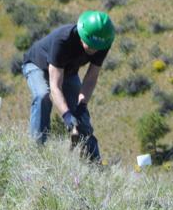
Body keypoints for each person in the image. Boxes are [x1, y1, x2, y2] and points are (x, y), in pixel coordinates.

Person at [21, 10, 114, 162]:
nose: (94, 50)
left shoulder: (103, 42)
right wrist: (67, 116)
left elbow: (91, 77)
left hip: (68, 71)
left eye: (97, 47)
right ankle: (36, 152)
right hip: (37, 65)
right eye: (90, 45)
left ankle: (94, 163)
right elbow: (55, 86)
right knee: (43, 96)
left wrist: (81, 105)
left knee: (82, 116)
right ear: (82, 34)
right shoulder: (63, 40)